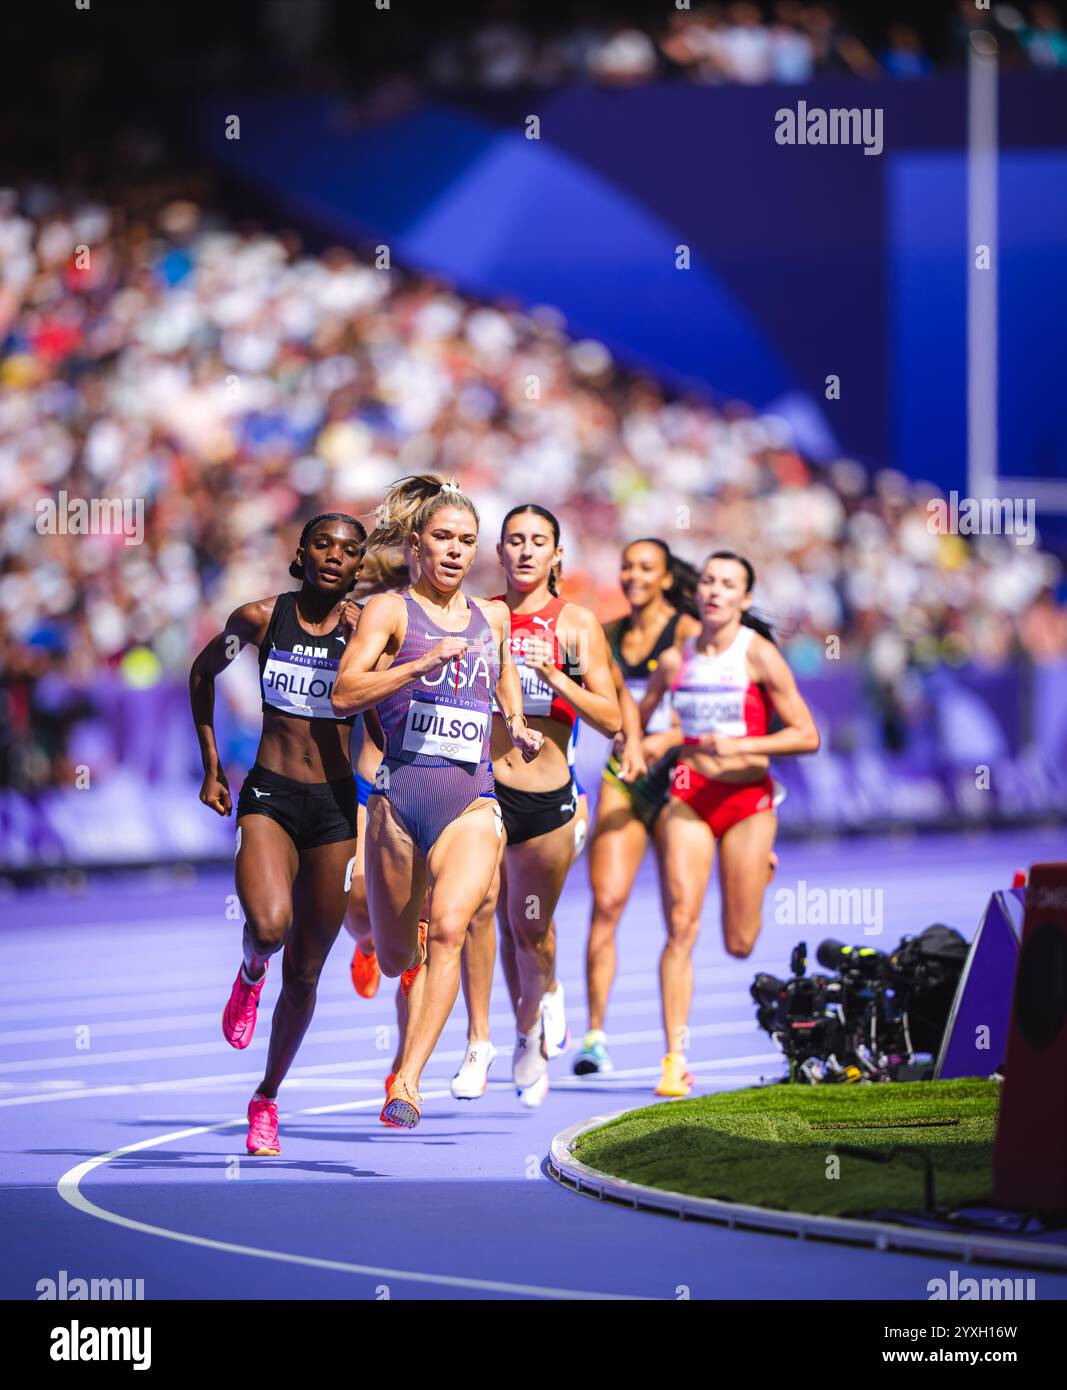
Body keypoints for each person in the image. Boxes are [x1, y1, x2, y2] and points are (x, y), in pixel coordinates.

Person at [331, 475, 542, 1129]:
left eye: (466, 541)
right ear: (417, 546)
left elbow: (503, 678)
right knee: (401, 957)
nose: (455, 551)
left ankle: (409, 1081)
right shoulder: (389, 612)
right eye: (443, 538)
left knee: (452, 927)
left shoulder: (493, 616)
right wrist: (413, 669)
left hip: (471, 802)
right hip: (397, 802)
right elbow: (344, 694)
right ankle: (373, 945)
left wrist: (519, 720)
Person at [190, 513, 366, 1156]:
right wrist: (212, 767)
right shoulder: (260, 620)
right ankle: (248, 969)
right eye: (322, 544)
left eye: (348, 551)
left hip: (337, 809)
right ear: (301, 552)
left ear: (357, 567)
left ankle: (266, 1098)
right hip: (268, 794)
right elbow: (203, 674)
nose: (333, 557)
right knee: (268, 927)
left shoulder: (365, 631)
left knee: (308, 973)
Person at [452, 504, 621, 1106]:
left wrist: (558, 678)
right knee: (479, 912)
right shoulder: (481, 618)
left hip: (548, 800)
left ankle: (538, 1014)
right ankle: (483, 1042)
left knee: (530, 931)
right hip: (483, 794)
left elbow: (611, 717)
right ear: (498, 553)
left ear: (557, 557)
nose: (525, 551)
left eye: (538, 541)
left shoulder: (575, 625)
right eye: (514, 541)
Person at [640, 550, 819, 1097]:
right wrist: (649, 739)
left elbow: (806, 735)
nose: (715, 591)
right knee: (681, 924)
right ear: (699, 592)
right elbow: (644, 715)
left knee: (740, 942)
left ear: (744, 598)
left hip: (747, 799)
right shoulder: (677, 660)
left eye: (729, 584)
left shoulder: (758, 654)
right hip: (690, 795)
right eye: (710, 581)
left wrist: (745, 743)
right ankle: (675, 1058)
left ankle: (758, 868)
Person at [573, 539, 700, 1076]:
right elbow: (604, 704)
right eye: (626, 566)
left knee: (679, 913)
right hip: (625, 777)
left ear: (667, 578)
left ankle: (675, 1053)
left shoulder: (690, 634)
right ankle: (595, 1037)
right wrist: (627, 742)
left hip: (680, 778)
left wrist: (660, 739)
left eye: (646, 568)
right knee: (606, 903)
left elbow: (708, 711)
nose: (633, 575)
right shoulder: (608, 636)